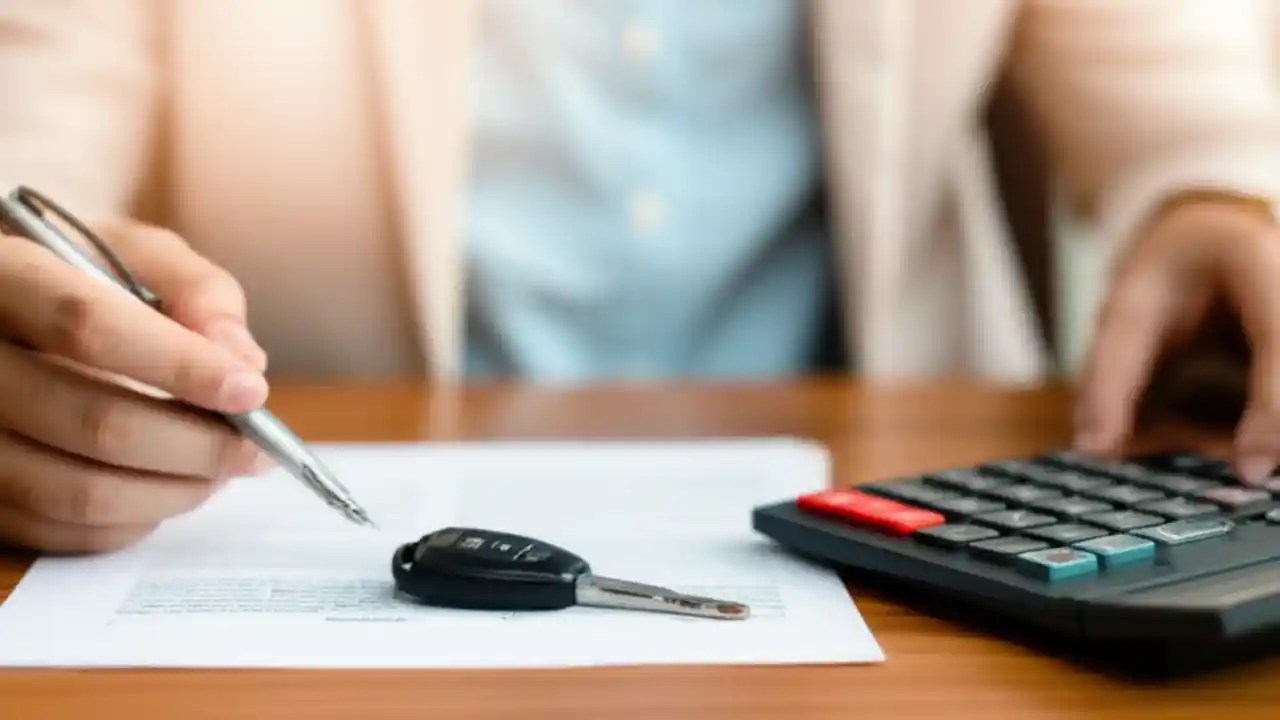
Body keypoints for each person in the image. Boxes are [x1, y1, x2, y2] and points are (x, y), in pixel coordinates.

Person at [0, 0, 1279, 553]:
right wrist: (31, 315)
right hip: (301, 477)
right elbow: (29, 121)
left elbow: (1194, 102)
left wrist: (1229, 202)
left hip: (892, 514)